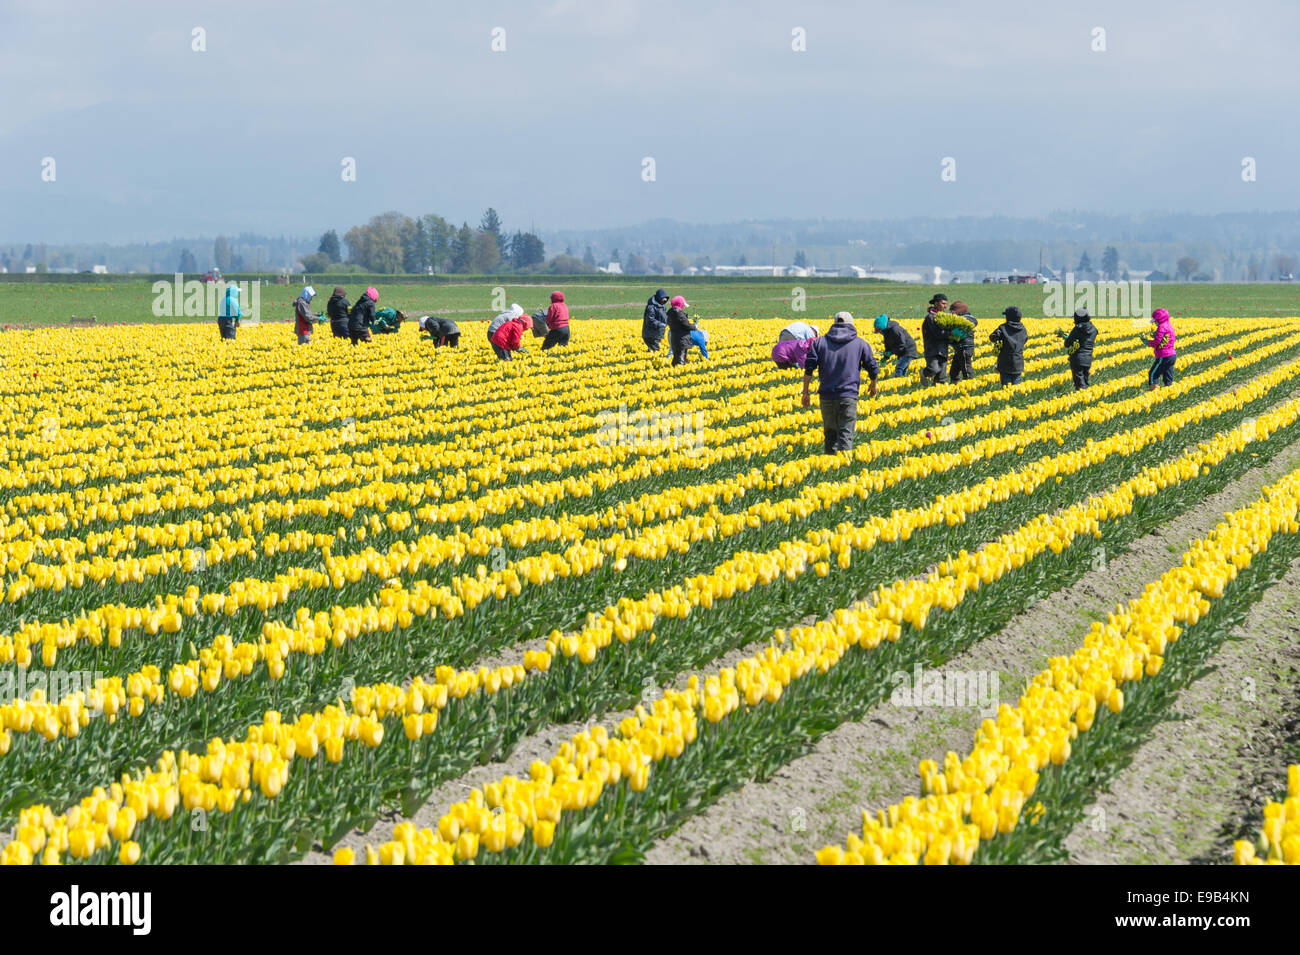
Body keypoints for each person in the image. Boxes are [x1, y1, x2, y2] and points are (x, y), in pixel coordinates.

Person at [801, 311, 880, 454]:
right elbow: (873, 367)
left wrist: (805, 392)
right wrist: (873, 384)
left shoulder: (819, 343)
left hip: (827, 396)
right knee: (845, 435)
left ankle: (830, 470)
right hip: (848, 396)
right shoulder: (860, 343)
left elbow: (809, 368)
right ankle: (844, 470)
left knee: (830, 436)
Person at [1059, 307, 1098, 389]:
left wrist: (1066, 338)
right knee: (1085, 380)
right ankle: (1087, 397)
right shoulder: (1093, 329)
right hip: (1088, 359)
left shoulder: (1078, 329)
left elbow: (1068, 343)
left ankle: (1083, 398)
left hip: (1077, 359)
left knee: (1080, 384)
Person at [989, 306, 1028, 385]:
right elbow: (1025, 339)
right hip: (1018, 362)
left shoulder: (1003, 328)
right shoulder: (1023, 329)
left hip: (1005, 362)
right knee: (1016, 387)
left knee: (1006, 387)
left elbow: (992, 337)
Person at [1141, 307, 1177, 390]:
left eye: (1155, 321)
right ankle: (1168, 393)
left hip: (1164, 356)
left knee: (1153, 374)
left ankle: (1153, 393)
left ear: (1159, 320)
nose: (1155, 323)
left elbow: (1157, 342)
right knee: (1167, 376)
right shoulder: (1169, 325)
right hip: (1172, 355)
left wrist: (1147, 342)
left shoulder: (1161, 327)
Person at [874, 313, 918, 378]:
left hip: (908, 350)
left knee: (899, 369)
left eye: (878, 330)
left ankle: (899, 381)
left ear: (883, 327)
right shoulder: (886, 332)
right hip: (902, 351)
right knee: (902, 370)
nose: (879, 332)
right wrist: (885, 357)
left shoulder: (895, 330)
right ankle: (903, 381)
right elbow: (888, 346)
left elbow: (902, 344)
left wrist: (891, 352)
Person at [920, 293, 950, 385]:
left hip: (943, 349)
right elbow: (937, 333)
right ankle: (923, 373)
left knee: (942, 377)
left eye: (946, 304)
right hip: (932, 349)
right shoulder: (931, 317)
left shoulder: (945, 317)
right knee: (934, 369)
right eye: (943, 303)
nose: (945, 306)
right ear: (936, 303)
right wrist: (951, 333)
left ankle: (938, 393)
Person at [947, 301, 979, 382]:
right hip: (959, 349)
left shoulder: (965, 321)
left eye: (952, 312)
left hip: (965, 348)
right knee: (953, 371)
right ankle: (955, 387)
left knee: (966, 370)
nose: (951, 314)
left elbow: (957, 333)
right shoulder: (963, 320)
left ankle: (969, 386)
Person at [666, 295, 698, 366]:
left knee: (676, 357)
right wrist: (694, 326)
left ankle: (675, 370)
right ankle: (679, 371)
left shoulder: (670, 314)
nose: (683, 307)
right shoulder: (679, 314)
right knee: (681, 357)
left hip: (674, 338)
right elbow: (687, 325)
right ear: (680, 305)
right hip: (681, 339)